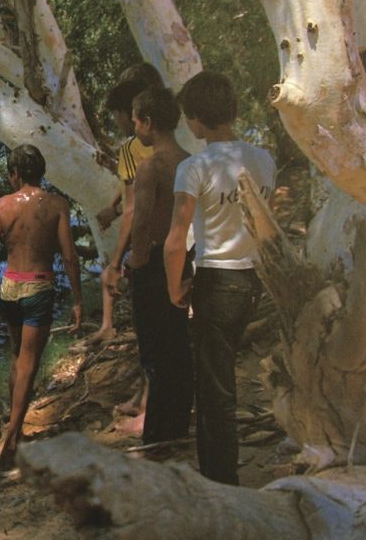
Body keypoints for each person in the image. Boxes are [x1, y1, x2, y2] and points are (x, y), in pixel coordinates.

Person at [165, 71, 275, 485]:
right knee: (221, 384)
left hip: (215, 283)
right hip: (252, 282)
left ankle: (221, 483)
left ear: (195, 120)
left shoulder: (195, 167)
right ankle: (217, 475)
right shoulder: (263, 160)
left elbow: (176, 241)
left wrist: (175, 286)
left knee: (215, 394)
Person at [0, 144, 83, 466]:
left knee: (18, 358)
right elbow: (68, 255)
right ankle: (12, 439)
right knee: (28, 363)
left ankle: (12, 428)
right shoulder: (56, 204)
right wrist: (78, 299)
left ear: (15, 174)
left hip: (9, 287)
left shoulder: (2, 205)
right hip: (38, 286)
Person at [124, 87, 193, 446]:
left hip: (153, 264)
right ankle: (178, 426)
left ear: (148, 122)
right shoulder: (189, 161)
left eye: (136, 120)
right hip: (185, 262)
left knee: (154, 350)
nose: (134, 126)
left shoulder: (151, 166)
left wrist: (134, 263)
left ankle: (157, 435)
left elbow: (142, 221)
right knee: (179, 345)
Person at [93, 63, 164, 345]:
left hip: (149, 241)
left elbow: (135, 203)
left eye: (118, 115)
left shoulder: (132, 148)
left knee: (151, 330)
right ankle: (107, 327)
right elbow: (128, 188)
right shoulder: (165, 141)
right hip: (176, 240)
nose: (118, 121)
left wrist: (117, 261)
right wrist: (114, 207)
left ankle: (148, 386)